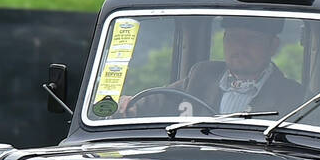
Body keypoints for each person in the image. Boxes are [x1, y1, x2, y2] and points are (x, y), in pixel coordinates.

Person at [117, 18, 305, 117]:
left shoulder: (295, 97)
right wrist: (130, 105)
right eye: (232, 37)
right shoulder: (203, 75)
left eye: (252, 39)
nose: (240, 46)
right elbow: (159, 100)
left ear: (273, 46)